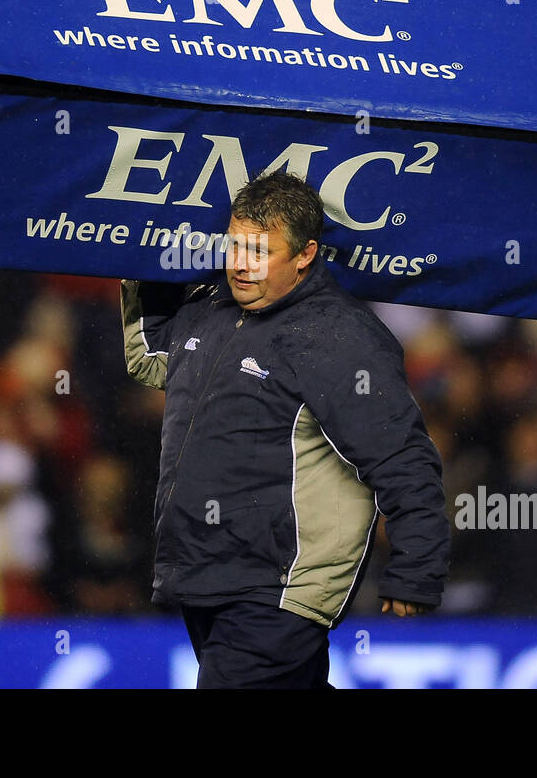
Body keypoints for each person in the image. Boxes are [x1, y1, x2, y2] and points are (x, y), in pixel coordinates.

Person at [120, 170, 450, 688]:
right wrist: (140, 264)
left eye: (259, 251)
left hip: (279, 585)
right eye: (234, 246)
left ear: (305, 254)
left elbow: (401, 454)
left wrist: (417, 566)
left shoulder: (337, 335)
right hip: (206, 571)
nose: (240, 265)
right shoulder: (210, 310)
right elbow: (153, 359)